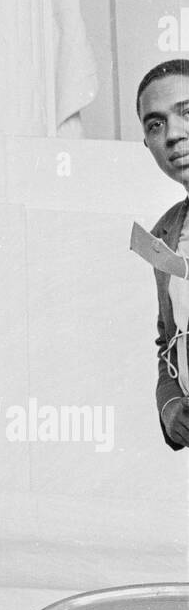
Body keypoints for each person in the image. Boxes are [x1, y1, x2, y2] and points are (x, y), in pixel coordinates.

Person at [137, 58, 189, 451]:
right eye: (155, 124)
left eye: (186, 112)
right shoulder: (167, 230)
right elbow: (168, 340)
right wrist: (169, 401)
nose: (172, 135)